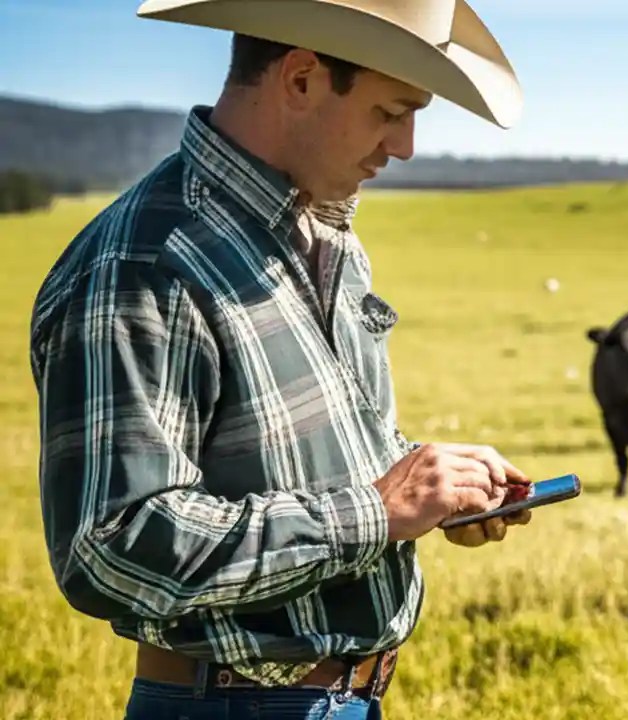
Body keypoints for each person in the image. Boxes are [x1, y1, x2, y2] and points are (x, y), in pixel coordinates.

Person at [27, 1, 529, 717]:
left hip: (339, 700)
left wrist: (431, 488)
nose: (406, 145)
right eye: (392, 112)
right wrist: (377, 511)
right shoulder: (147, 263)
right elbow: (112, 547)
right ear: (300, 79)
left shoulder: (325, 237)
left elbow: (296, 456)